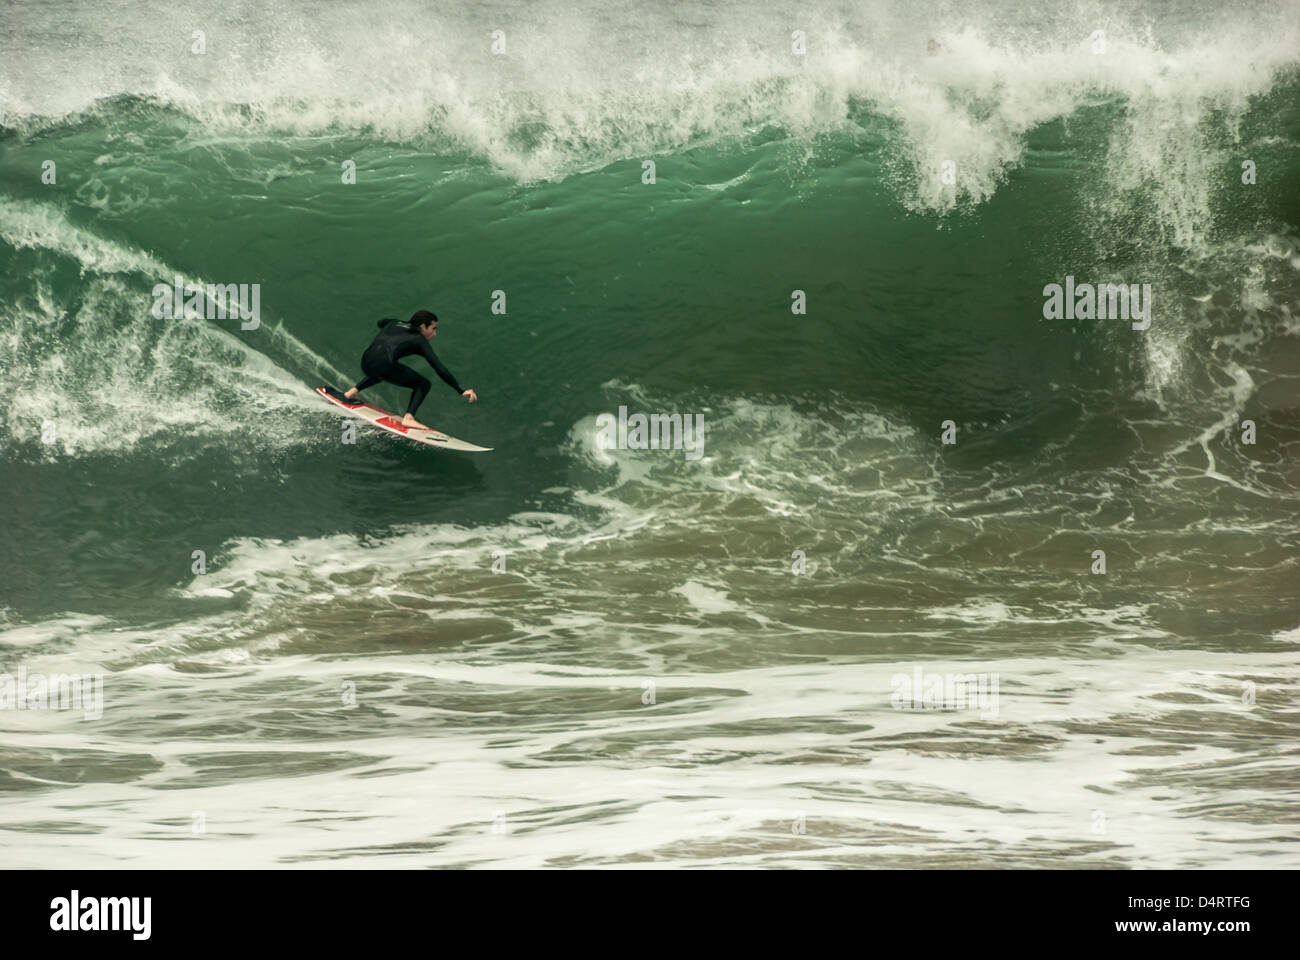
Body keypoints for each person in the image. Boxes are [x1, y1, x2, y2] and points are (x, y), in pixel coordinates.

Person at [342, 310, 477, 430]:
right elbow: (439, 367)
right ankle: (409, 417)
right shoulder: (419, 340)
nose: (435, 334)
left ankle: (352, 392)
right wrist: (461, 390)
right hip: (383, 366)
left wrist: (389, 325)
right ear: (423, 327)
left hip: (365, 361)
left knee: (383, 369)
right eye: (434, 328)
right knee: (423, 383)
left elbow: (380, 322)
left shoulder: (395, 323)